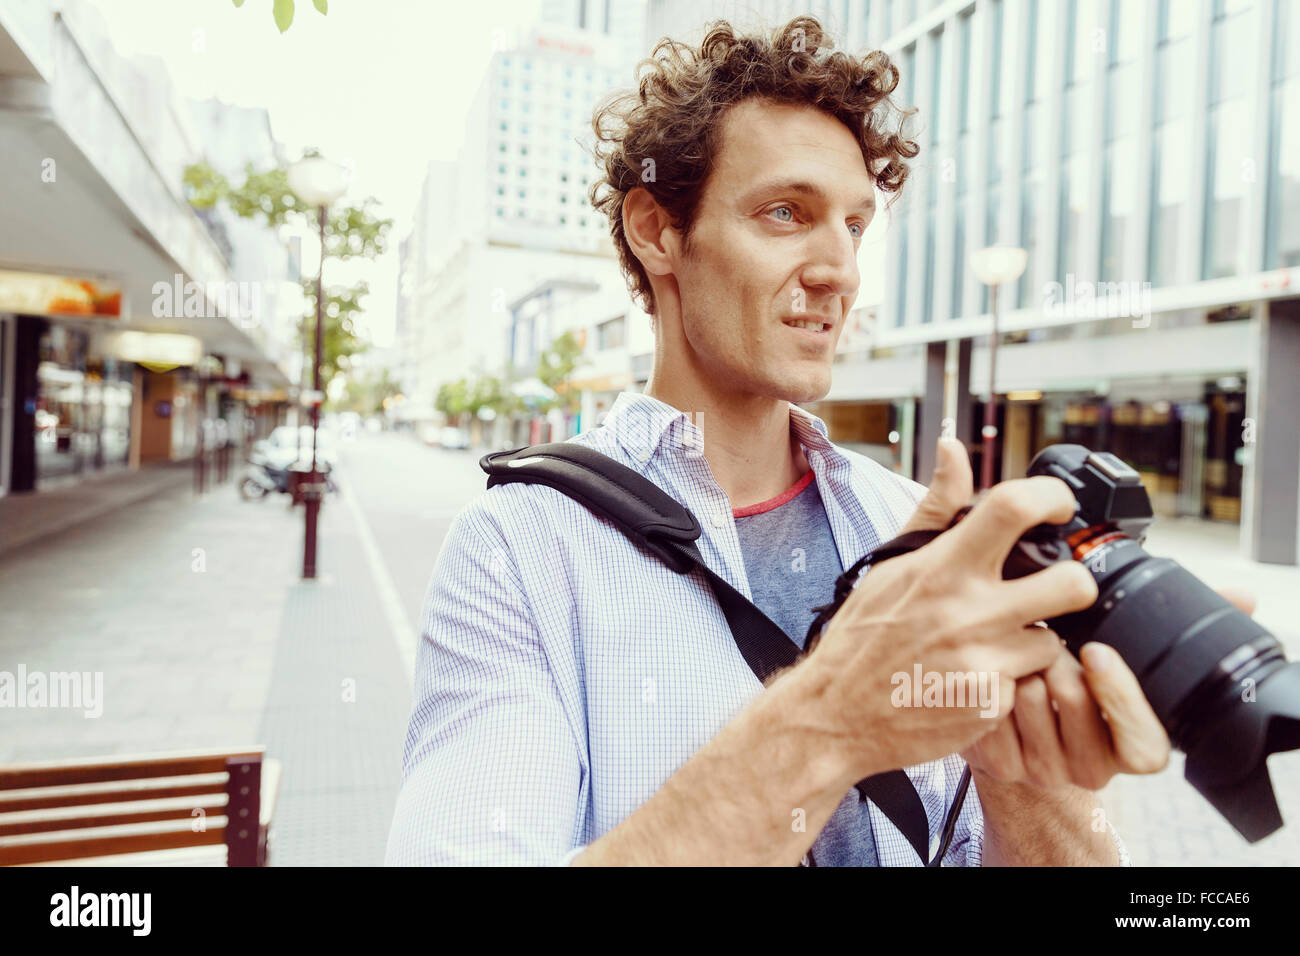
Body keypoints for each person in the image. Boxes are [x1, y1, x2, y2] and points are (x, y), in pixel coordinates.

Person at [386, 16, 1180, 866]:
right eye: (784, 212)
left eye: (854, 225)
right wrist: (834, 719)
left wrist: (1025, 772)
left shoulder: (910, 522)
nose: (839, 267)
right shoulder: (519, 551)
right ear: (658, 231)